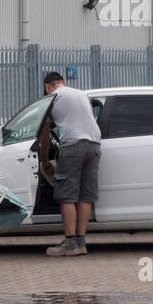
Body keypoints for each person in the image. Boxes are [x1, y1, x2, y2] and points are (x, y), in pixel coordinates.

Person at [40, 71, 102, 257]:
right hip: (94, 145)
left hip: (73, 146)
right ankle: (80, 242)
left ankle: (69, 242)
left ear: (47, 86)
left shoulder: (52, 98)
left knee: (67, 195)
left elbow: (44, 133)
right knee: (85, 196)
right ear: (63, 82)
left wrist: (44, 161)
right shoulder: (82, 94)